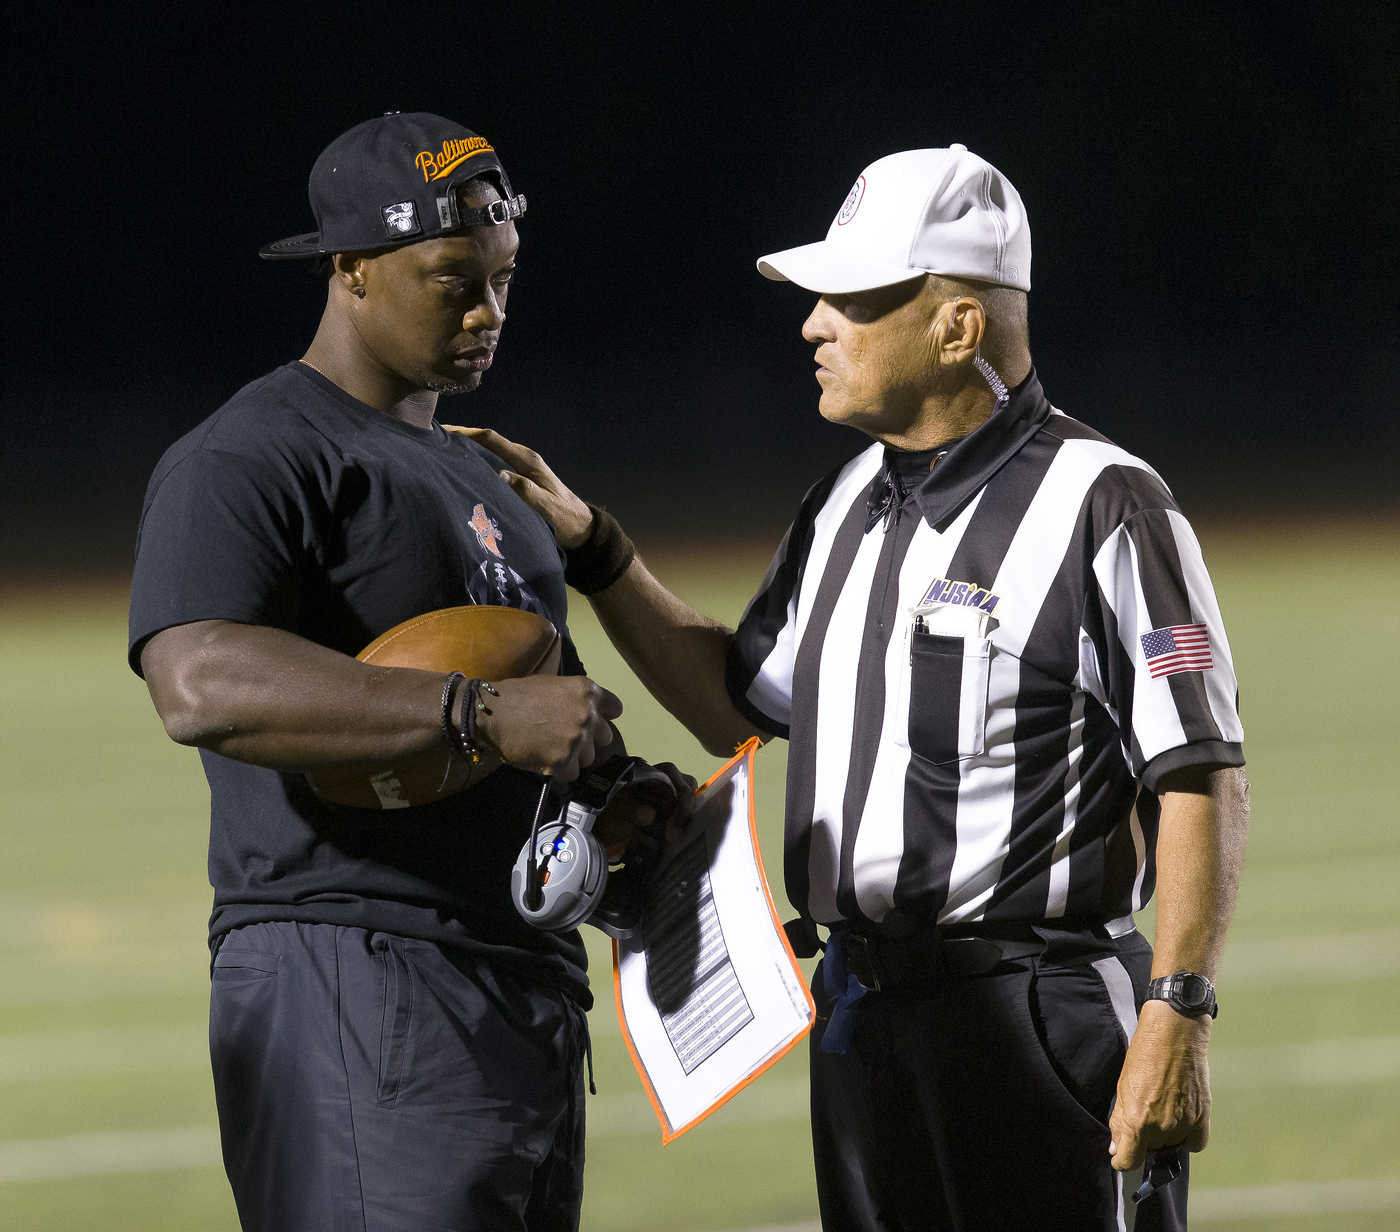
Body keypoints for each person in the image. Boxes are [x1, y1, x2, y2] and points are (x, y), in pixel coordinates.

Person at [465, 145, 1250, 1231]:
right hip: (857, 1007)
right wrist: (601, 551)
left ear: (958, 325)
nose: (813, 321)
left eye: (852, 296)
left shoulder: (1103, 503)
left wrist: (1176, 1009)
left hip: (1033, 1006)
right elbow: (734, 703)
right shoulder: (843, 502)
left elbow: (1199, 772)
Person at [128, 112, 690, 1232]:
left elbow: (539, 730)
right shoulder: (254, 451)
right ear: (350, 269)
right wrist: (473, 709)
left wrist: (609, 800)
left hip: (512, 986)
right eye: (451, 280)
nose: (488, 311)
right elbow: (197, 678)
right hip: (352, 971)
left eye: (502, 276)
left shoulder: (488, 478)